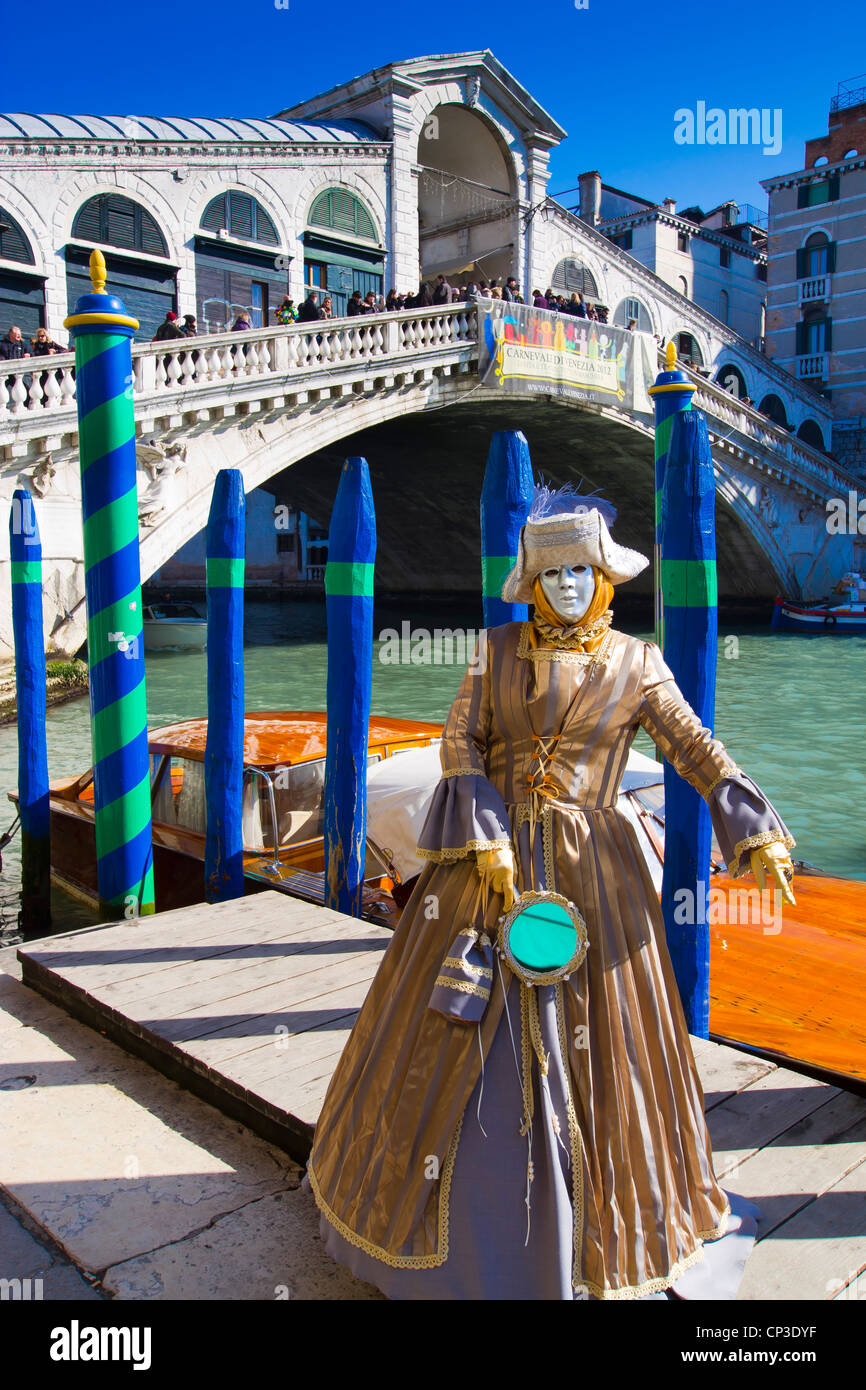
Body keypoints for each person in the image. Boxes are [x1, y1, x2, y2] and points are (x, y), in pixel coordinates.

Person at [305, 488, 797, 1300]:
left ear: (605, 576)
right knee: (452, 1019)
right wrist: (485, 833)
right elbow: (460, 742)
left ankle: (607, 1238)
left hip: (596, 871)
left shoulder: (638, 663)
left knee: (611, 1037)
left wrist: (753, 827)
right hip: (486, 867)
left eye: (581, 571)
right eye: (553, 573)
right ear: (531, 582)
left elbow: (694, 747)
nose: (568, 586)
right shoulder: (493, 650)